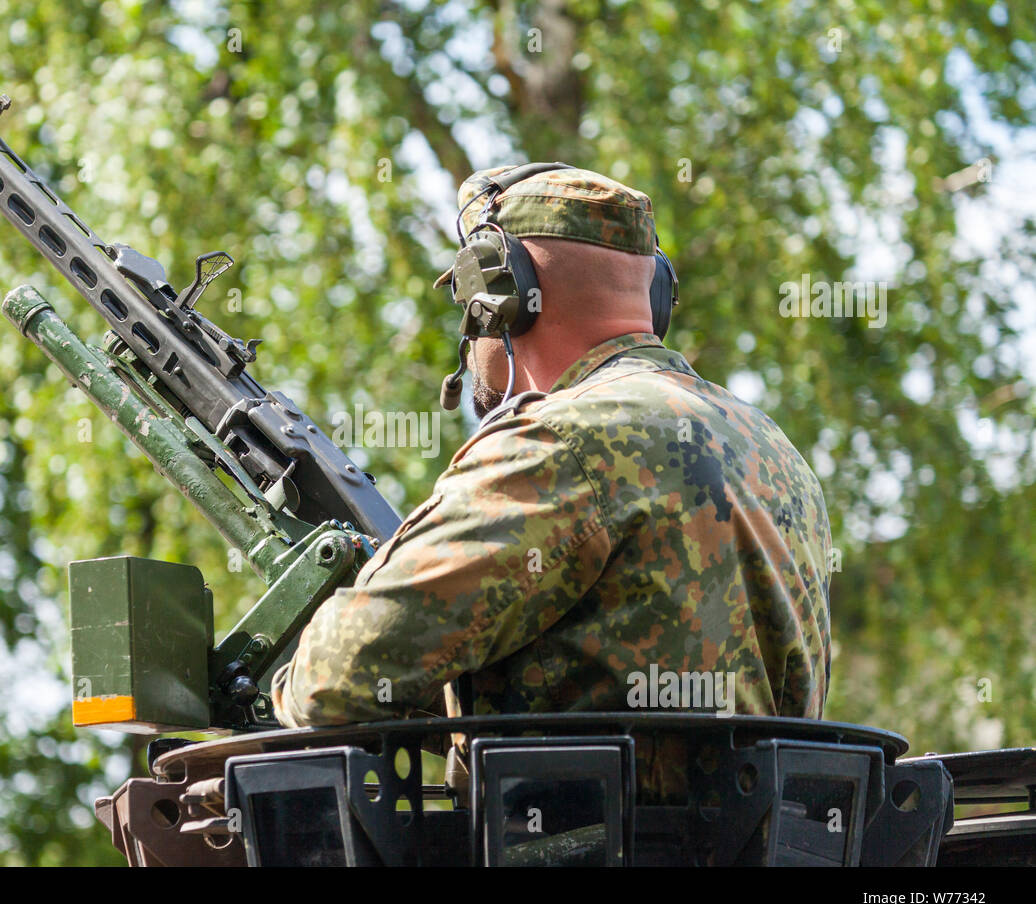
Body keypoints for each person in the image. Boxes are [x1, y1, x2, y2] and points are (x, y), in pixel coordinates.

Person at [270, 165, 832, 795]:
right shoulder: (776, 453)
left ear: (498, 292)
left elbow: (330, 686)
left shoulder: (561, 441)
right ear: (656, 297)